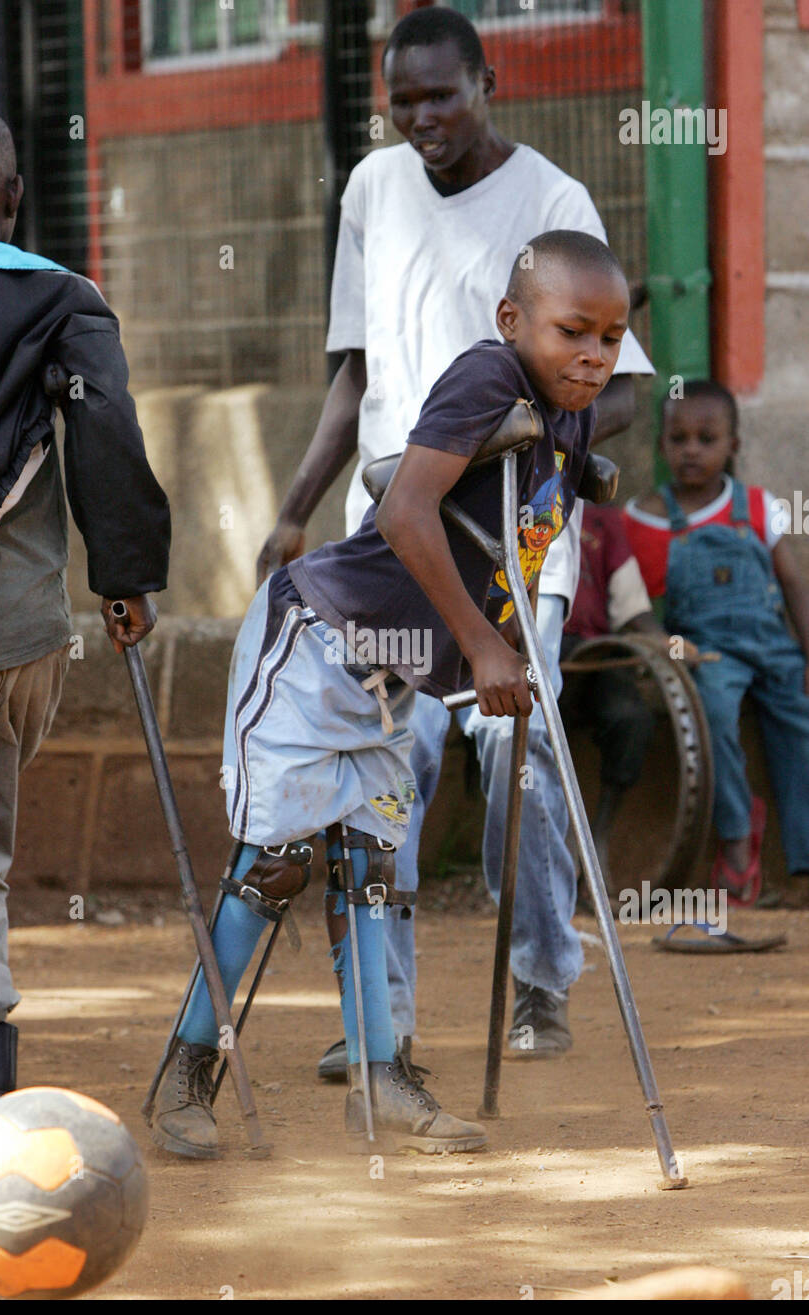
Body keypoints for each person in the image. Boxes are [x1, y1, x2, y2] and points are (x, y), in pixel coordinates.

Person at [150, 228, 631, 1160]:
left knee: (374, 872)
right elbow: (404, 510)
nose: (594, 356)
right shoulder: (486, 377)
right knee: (275, 864)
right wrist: (480, 649)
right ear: (511, 320)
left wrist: (515, 646)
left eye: (610, 340)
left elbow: (517, 543)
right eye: (574, 331)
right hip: (315, 643)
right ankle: (186, 1072)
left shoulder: (569, 414)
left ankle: (381, 1083)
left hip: (389, 676)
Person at [256, 6, 653, 1075]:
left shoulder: (551, 201)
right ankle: (379, 1019)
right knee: (382, 770)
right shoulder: (370, 190)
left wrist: (518, 441)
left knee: (513, 755)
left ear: (489, 84)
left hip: (511, 544)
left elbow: (607, 385)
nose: (422, 116)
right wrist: (296, 506)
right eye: (404, 98)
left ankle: (536, 974)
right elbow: (358, 372)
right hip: (392, 537)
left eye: (442, 94)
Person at [0, 101, 171, 1124]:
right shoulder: (66, 298)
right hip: (30, 643)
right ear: (15, 197)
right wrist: (125, 577)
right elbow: (107, 439)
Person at [623, 380, 809, 908]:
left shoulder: (757, 505)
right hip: (707, 652)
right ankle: (735, 838)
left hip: (774, 646)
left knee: (800, 718)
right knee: (713, 713)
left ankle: (803, 854)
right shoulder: (645, 519)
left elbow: (794, 585)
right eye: (678, 438)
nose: (691, 450)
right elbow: (634, 602)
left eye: (708, 438)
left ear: (735, 444)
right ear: (660, 445)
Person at [559, 501, 700, 894]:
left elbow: (635, 613)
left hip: (598, 653)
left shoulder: (602, 520)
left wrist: (672, 648)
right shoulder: (512, 500)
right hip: (539, 656)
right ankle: (561, 842)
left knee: (630, 718)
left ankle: (597, 837)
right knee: (539, 731)